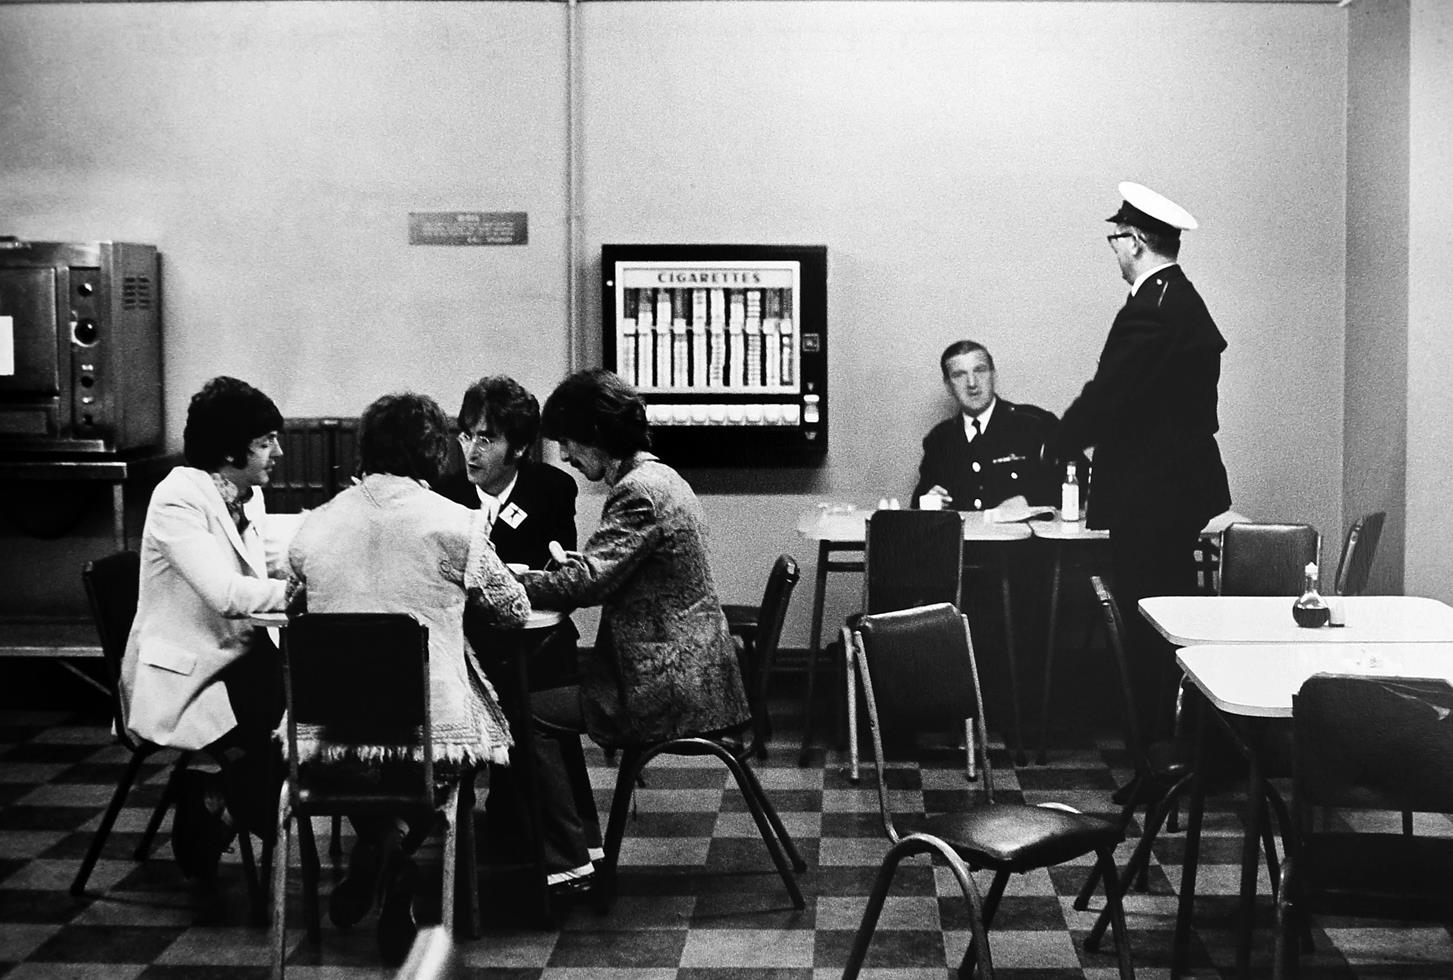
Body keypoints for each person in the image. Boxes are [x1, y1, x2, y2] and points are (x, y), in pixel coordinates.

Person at [287, 391, 528, 964]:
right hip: (429, 736)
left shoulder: (315, 527)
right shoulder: (455, 525)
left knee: (363, 754)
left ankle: (380, 846)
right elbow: (512, 610)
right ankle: (398, 866)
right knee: (434, 761)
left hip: (329, 741)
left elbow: (296, 610)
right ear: (432, 452)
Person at [518, 368, 750, 893]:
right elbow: (614, 568)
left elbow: (590, 582)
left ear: (596, 437)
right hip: (690, 671)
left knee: (526, 709)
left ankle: (567, 859)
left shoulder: (638, 492)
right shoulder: (659, 478)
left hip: (667, 687)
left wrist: (509, 579)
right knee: (538, 702)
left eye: (569, 445)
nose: (567, 459)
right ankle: (582, 847)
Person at [1052, 181, 1231, 738]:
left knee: (1151, 629)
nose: (1113, 250)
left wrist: (1054, 444)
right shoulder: (1180, 299)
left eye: (1115, 238)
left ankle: (1163, 761)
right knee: (1166, 623)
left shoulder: (1151, 309)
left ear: (1134, 242)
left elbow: (1111, 394)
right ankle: (1176, 753)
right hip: (1174, 495)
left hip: (1151, 498)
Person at [433, 374, 598, 893]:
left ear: (520, 447)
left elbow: (559, 578)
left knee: (536, 686)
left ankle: (566, 837)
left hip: (537, 639)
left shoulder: (552, 488)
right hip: (467, 640)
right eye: (466, 435)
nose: (471, 449)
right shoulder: (446, 492)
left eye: (487, 438)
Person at [119, 376, 293, 866]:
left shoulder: (245, 494)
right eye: (264, 443)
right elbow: (225, 593)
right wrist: (301, 592)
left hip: (235, 657)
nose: (276, 452)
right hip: (185, 672)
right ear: (229, 451)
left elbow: (267, 566)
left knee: (307, 700)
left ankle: (225, 803)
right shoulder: (177, 498)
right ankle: (232, 804)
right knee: (288, 716)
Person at [913, 340, 1060, 511]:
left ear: (993, 375)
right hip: (964, 537)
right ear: (948, 386)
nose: (972, 383)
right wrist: (929, 502)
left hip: (1024, 537)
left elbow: (1080, 478)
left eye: (980, 370)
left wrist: (1031, 500)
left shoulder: (1034, 424)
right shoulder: (939, 440)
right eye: (959, 375)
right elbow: (917, 505)